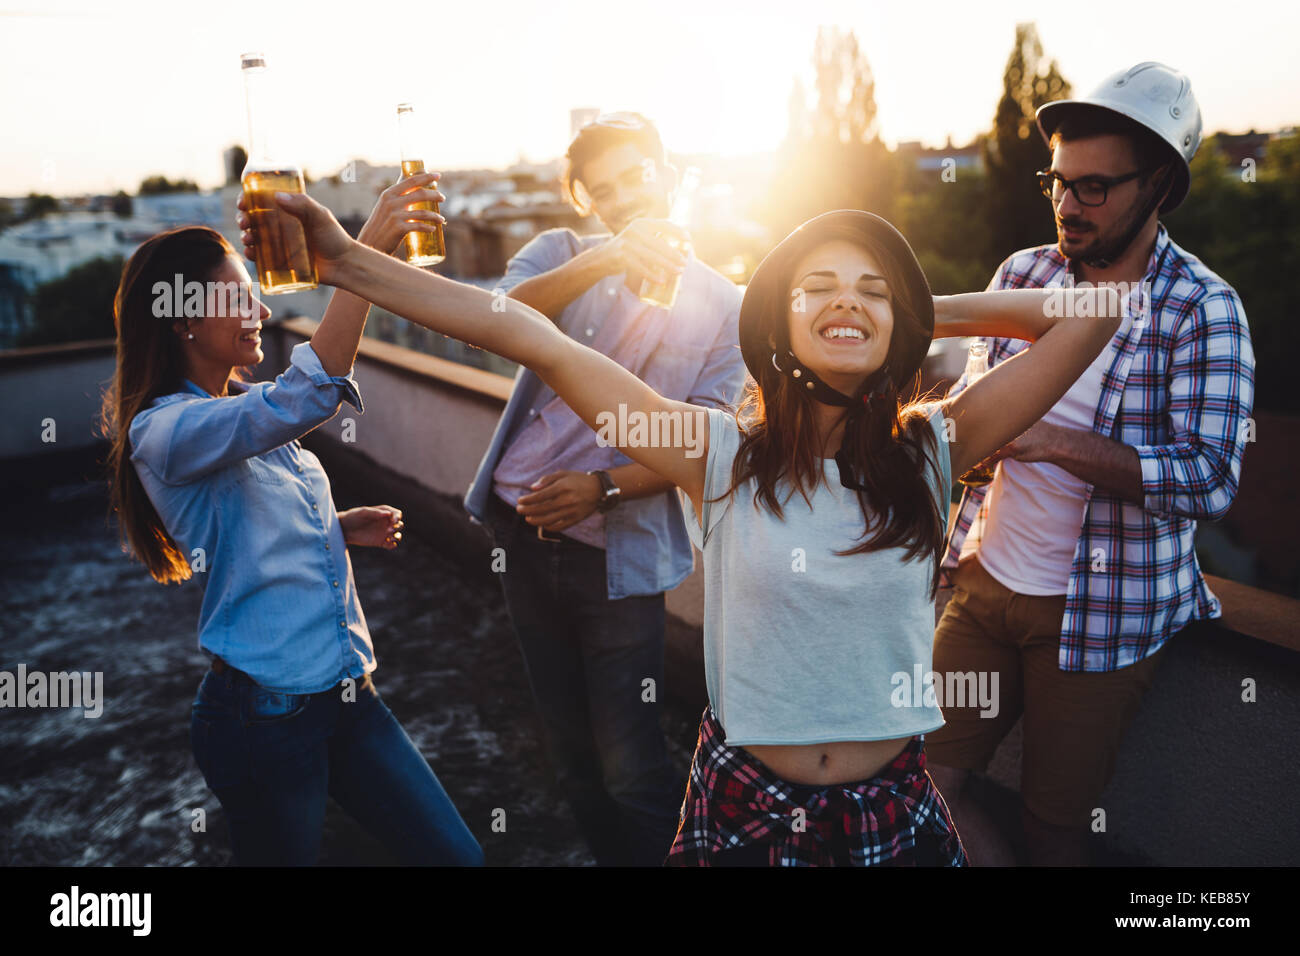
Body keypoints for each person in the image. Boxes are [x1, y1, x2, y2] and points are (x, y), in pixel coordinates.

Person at [245, 187, 1130, 866]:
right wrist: (347, 261)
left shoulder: (937, 445)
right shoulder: (716, 453)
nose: (845, 301)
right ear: (778, 322)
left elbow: (1094, 315)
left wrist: (903, 306)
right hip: (743, 804)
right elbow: (535, 340)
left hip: (889, 813)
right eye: (815, 288)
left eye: (869, 291)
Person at [925, 62, 1256, 866]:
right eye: (1058, 183)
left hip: (1107, 618)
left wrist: (1050, 440)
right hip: (982, 586)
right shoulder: (1023, 274)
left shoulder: (1204, 308)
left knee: (1055, 828)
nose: (1068, 206)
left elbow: (1211, 479)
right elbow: (971, 424)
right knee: (920, 781)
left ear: (1160, 186)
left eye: (1095, 188)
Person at [100, 172, 483, 866]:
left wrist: (335, 526)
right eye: (238, 297)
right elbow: (309, 395)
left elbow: (249, 515)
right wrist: (365, 252)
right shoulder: (166, 430)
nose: (258, 310)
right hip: (263, 718)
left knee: (459, 858)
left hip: (346, 696)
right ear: (183, 318)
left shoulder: (233, 405)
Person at [463, 112, 746, 865]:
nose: (625, 197)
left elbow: (709, 441)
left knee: (631, 768)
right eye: (605, 190)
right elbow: (485, 324)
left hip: (617, 564)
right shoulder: (558, 254)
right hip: (519, 536)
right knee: (571, 760)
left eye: (638, 176)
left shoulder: (727, 305)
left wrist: (603, 489)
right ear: (587, 201)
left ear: (670, 174)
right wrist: (603, 262)